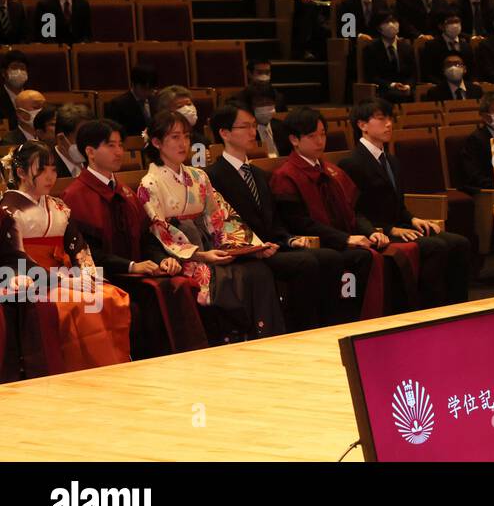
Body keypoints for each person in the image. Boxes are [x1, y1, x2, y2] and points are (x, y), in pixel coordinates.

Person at [63, 119, 208, 358]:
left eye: (120, 144)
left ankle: (193, 359)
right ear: (89, 151)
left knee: (178, 284)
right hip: (106, 276)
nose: (119, 151)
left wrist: (162, 259)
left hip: (139, 271)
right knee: (151, 299)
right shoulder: (76, 195)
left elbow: (146, 237)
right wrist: (131, 265)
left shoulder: (124, 191)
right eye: (110, 145)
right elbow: (87, 253)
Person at [137, 111, 285, 340]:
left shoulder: (199, 176)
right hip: (182, 256)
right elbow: (161, 232)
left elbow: (221, 217)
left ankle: (266, 335)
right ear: (156, 142)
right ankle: (229, 337)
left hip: (211, 247)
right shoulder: (150, 184)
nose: (183, 143)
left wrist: (250, 248)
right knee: (214, 276)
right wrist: (202, 256)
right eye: (175, 137)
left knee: (259, 270)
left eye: (186, 136)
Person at [0, 142, 132, 373]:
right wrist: (63, 280)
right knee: (73, 304)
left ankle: (110, 364)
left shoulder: (59, 207)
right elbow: (14, 258)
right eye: (41, 170)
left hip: (64, 274)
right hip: (26, 279)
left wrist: (89, 275)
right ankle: (75, 367)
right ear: (20, 172)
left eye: (53, 169)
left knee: (106, 295)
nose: (50, 177)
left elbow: (78, 247)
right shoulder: (7, 211)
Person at [206, 104, 341, 330]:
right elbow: (221, 224)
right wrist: (254, 248)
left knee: (331, 257)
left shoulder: (259, 174)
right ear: (224, 133)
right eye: (245, 127)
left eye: (253, 126)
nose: (253, 132)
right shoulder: (212, 176)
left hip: (271, 245)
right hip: (244, 251)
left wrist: (289, 239)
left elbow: (274, 221)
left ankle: (332, 324)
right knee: (305, 263)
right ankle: (303, 328)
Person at [339, 98, 471, 309]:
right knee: (434, 246)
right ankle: (429, 310)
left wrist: (413, 218)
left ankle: (457, 308)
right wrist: (391, 229)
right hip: (377, 231)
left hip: (399, 226)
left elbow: (398, 206)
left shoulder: (391, 160)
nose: (389, 124)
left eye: (390, 119)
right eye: (381, 119)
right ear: (362, 125)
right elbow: (354, 211)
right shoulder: (352, 163)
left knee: (459, 242)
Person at [269, 107, 380, 321]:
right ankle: (336, 320)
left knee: (369, 252)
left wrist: (370, 232)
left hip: (341, 240)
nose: (320, 141)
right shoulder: (285, 176)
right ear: (294, 139)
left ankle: (357, 316)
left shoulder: (331, 171)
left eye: (323, 134)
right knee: (347, 257)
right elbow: (299, 223)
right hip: (315, 244)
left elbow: (353, 211)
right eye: (312, 136)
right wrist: (345, 239)